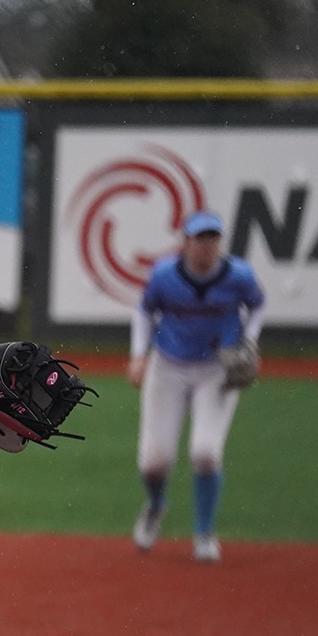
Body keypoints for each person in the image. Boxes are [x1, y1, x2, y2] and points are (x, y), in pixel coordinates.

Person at [128, 211, 266, 563]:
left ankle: (204, 534)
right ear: (185, 242)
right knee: (154, 462)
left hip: (216, 369)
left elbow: (258, 305)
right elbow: (145, 312)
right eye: (199, 238)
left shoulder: (238, 275)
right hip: (168, 366)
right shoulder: (164, 275)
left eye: (212, 238)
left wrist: (250, 341)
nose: (206, 245)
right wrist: (139, 355)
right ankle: (156, 505)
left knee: (205, 453)